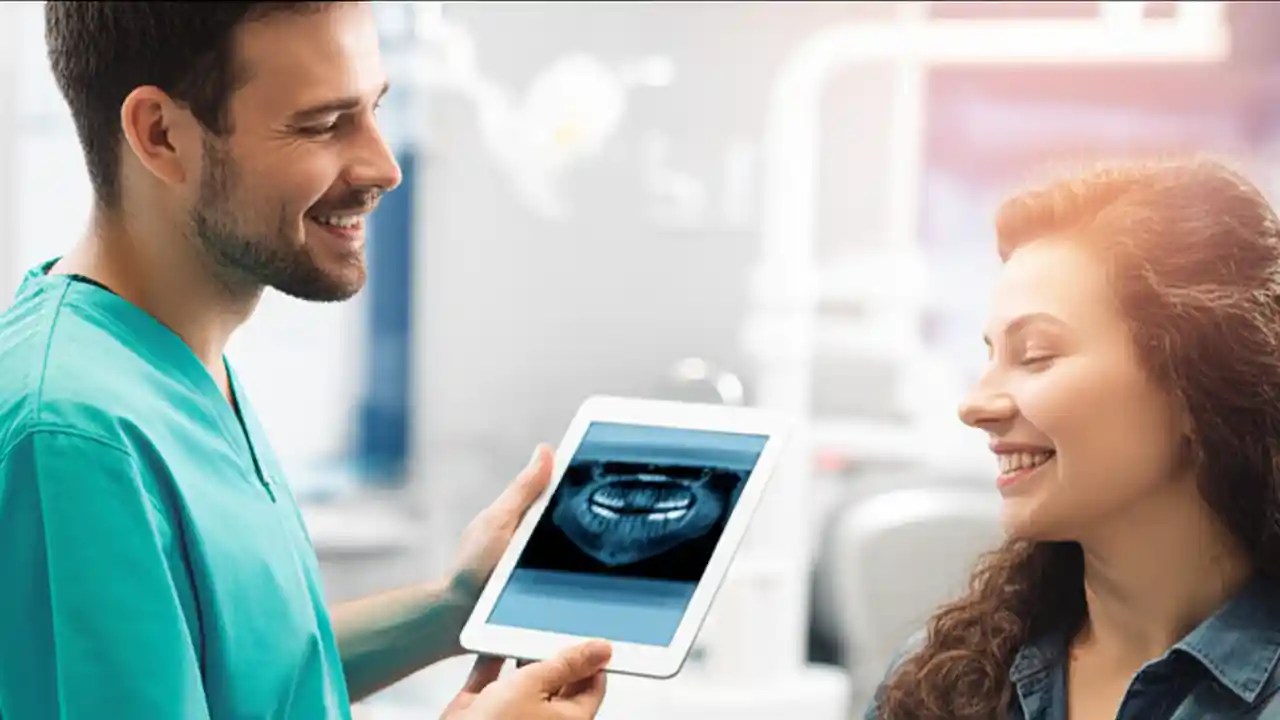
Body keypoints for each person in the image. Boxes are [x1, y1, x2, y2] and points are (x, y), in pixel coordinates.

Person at [0, 3, 610, 719]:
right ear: (160, 135)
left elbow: (239, 675)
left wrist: (451, 608)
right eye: (324, 124)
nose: (384, 166)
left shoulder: (178, 368)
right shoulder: (76, 439)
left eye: (376, 108)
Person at [864, 157, 1280, 719]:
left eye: (1035, 356)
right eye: (991, 356)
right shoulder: (940, 683)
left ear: (1194, 385)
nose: (975, 406)